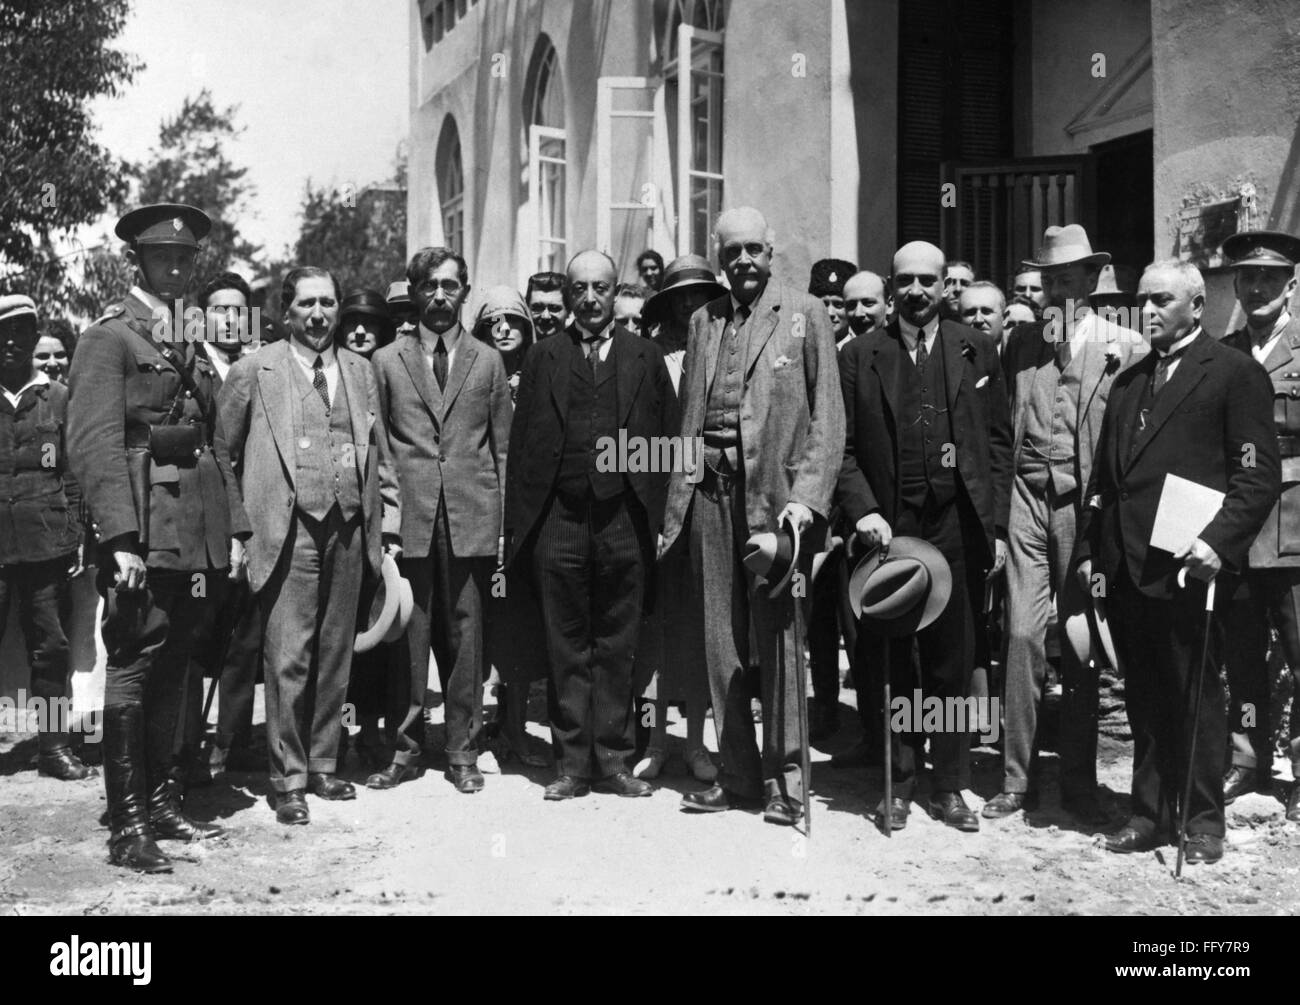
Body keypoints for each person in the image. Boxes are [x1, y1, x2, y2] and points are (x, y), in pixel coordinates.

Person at [1076, 260, 1278, 865]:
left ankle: (1201, 820)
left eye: (1163, 300)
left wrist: (1219, 542)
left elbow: (1256, 474)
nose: (1150, 311)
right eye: (1143, 301)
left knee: (1195, 695)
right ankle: (1149, 811)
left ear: (1197, 305)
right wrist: (1093, 552)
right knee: (1142, 694)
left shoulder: (1234, 374)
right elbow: (1106, 481)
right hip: (1132, 563)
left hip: (1193, 565)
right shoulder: (1130, 380)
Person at [68, 203, 237, 872]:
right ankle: (128, 825)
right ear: (136, 261)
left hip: (190, 526)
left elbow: (214, 441)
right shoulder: (109, 337)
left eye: (185, 258)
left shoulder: (188, 339)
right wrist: (120, 540)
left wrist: (234, 531)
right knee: (134, 657)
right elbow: (95, 444)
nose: (175, 266)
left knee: (179, 657)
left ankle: (165, 798)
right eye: (163, 256)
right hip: (140, 527)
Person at [664, 207, 845, 826]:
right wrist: (677, 506)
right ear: (719, 256)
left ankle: (787, 781)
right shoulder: (702, 320)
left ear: (772, 253)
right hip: (709, 494)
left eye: (753, 250)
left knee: (782, 636)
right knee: (722, 641)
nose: (742, 260)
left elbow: (829, 420)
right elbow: (689, 415)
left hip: (777, 501)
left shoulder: (805, 313)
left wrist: (808, 499)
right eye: (731, 250)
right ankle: (738, 771)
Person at [837, 240, 1011, 833]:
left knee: (952, 659)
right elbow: (843, 448)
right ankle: (899, 781)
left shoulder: (978, 348)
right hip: (890, 524)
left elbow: (998, 444)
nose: (916, 291)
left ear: (945, 287)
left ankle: (949, 785)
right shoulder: (862, 355)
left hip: (956, 522)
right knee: (892, 655)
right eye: (905, 281)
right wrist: (861, 509)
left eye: (928, 281)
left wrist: (999, 528)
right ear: (892, 285)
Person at [219, 266, 401, 825]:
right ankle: (288, 777)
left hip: (349, 524)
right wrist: (237, 530)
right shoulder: (256, 370)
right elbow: (222, 456)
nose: (318, 314)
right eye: (306, 304)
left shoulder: (361, 370)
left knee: (334, 650)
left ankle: (324, 763)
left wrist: (387, 522)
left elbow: (380, 450)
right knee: (288, 655)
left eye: (327, 302)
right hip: (287, 527)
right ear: (286, 312)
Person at [504, 249, 677, 801]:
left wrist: (657, 514)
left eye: (600, 288)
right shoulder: (544, 358)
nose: (590, 298)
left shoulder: (644, 357)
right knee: (567, 641)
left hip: (624, 517)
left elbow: (667, 441)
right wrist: (518, 525)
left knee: (618, 639)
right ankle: (572, 763)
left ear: (614, 289)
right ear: (569, 296)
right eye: (579, 289)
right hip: (560, 515)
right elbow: (523, 446)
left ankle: (615, 758)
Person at [991, 225, 1143, 823]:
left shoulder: (1122, 344)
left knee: (1079, 644)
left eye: (1068, 277)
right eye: (1048, 279)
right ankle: (1014, 779)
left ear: (1091, 279)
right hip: (1025, 501)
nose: (1057, 288)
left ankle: (1077, 783)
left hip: (1082, 508)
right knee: (1023, 637)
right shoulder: (1021, 343)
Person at [370, 248, 511, 793]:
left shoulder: (488, 361)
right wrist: (385, 520)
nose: (440, 296)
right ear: (414, 291)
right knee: (409, 637)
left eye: (451, 286)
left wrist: (501, 529)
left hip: (472, 519)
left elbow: (504, 449)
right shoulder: (388, 361)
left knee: (467, 639)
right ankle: (405, 748)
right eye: (429, 285)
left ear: (465, 292)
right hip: (410, 520)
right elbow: (379, 446)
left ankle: (461, 750)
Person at [631, 254, 727, 782]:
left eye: (700, 297)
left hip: (706, 502)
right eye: (680, 298)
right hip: (653, 505)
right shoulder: (649, 356)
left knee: (696, 627)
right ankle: (655, 740)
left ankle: (696, 742)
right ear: (666, 305)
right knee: (655, 630)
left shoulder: (720, 346)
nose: (691, 306)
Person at [1218, 230, 1300, 821]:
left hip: (1296, 524)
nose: (1256, 287)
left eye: (1268, 277)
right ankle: (1248, 758)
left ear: (1290, 283)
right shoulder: (1224, 351)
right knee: (1242, 655)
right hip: (1239, 529)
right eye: (1247, 277)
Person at [0, 295, 92, 781]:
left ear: (35, 337)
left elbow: (72, 469)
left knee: (51, 648)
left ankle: (53, 746)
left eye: (22, 331)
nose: (12, 342)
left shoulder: (57, 398)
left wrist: (76, 532)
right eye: (3, 333)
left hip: (46, 542)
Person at [187, 272, 262, 782]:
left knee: (246, 643)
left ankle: (230, 748)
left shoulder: (263, 367)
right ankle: (185, 749)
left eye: (239, 309)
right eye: (220, 309)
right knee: (195, 641)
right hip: (204, 526)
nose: (231, 319)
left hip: (261, 523)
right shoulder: (189, 370)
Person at [335, 287, 395, 774]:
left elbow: (391, 455)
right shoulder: (332, 370)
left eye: (370, 325)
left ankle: (373, 731)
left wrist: (390, 523)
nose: (360, 332)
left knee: (376, 634)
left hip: (377, 523)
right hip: (331, 524)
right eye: (352, 322)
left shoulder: (387, 371)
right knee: (331, 635)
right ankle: (331, 731)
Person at [471, 284, 533, 402]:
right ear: (483, 331)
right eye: (496, 322)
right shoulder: (468, 382)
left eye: (512, 319)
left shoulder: (539, 378)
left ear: (525, 329)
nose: (504, 329)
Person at [809, 258, 857, 348]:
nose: (830, 313)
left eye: (838, 305)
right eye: (823, 304)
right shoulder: (800, 349)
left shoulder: (861, 351)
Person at [958, 281, 1009, 356]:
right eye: (971, 313)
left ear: (1004, 318)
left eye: (986, 311)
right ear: (959, 320)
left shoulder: (1018, 359)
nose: (978, 320)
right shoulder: (948, 362)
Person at [525, 271, 570, 339]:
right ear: (526, 309)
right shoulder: (517, 348)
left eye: (554, 308)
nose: (545, 316)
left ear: (569, 311)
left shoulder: (581, 348)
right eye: (538, 308)